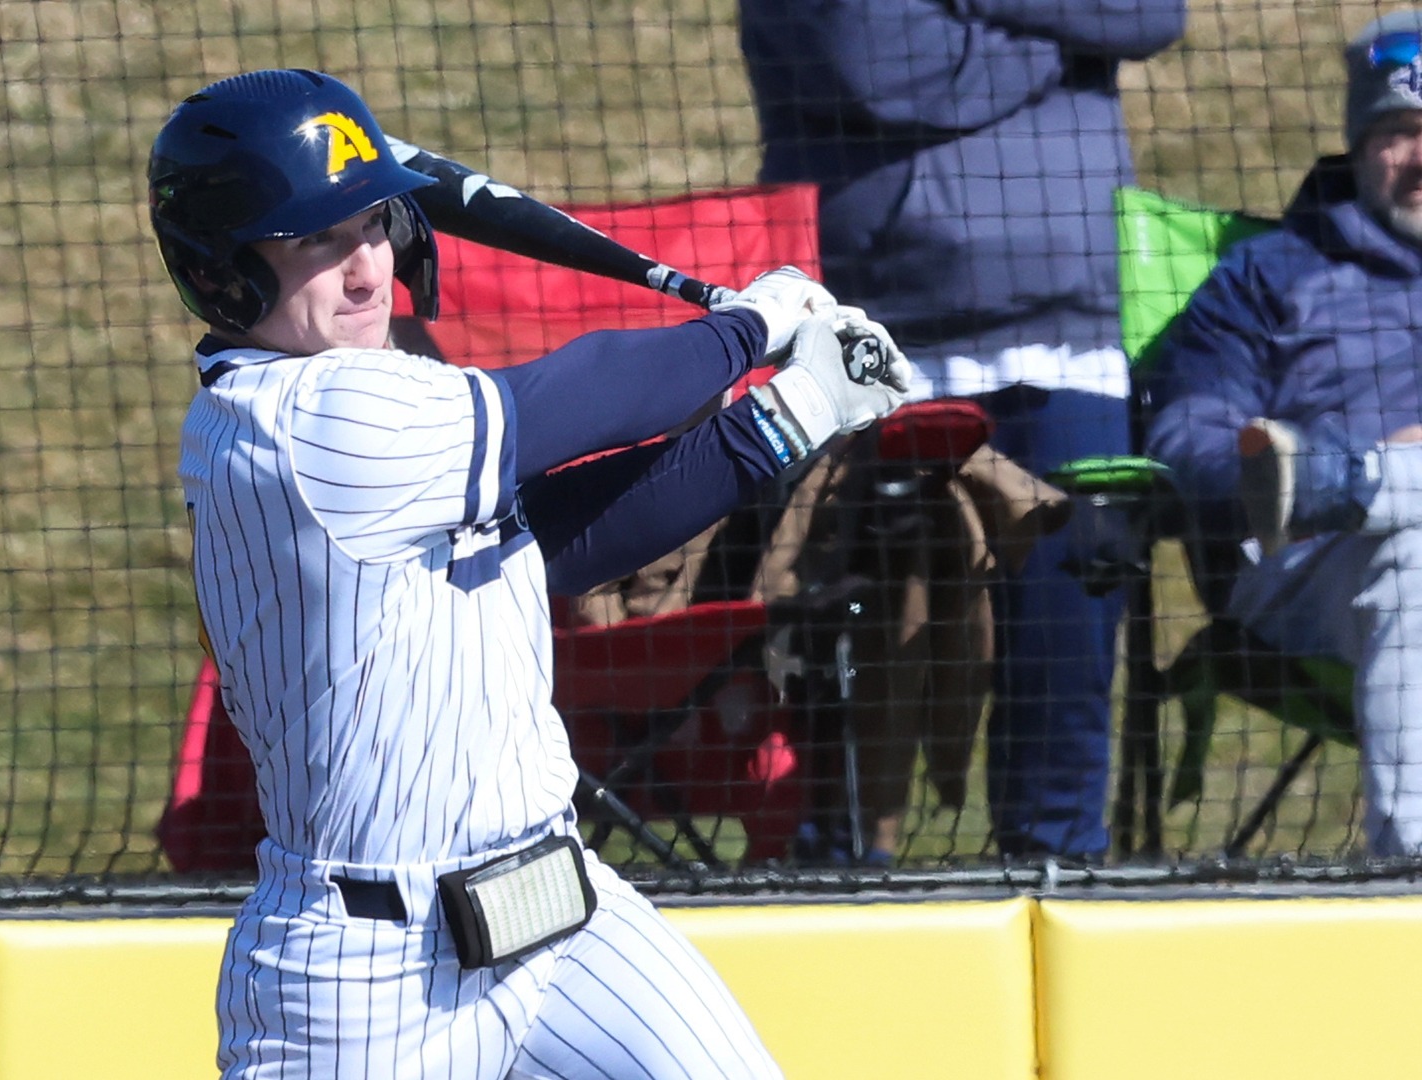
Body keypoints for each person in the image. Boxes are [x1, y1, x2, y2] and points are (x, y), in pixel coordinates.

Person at [153, 68, 912, 1077]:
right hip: (367, 981)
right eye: (316, 242)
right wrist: (751, 327)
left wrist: (791, 417)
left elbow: (553, 541)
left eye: (374, 224)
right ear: (224, 272)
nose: (366, 270)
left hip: (560, 913)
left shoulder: (392, 396)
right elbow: (573, 402)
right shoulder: (295, 424)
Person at [739, 0, 1188, 861]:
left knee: (1069, 615)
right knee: (854, 630)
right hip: (867, 343)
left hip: (1071, 339)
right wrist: (1061, 49)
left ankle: (1055, 867)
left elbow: (1146, 13)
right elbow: (870, 56)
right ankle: (835, 882)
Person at [1147, 11, 1422, 858]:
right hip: (1315, 566)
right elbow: (1185, 433)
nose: (1418, 156)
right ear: (1358, 142)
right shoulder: (1271, 274)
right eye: (1396, 132)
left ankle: (1372, 476)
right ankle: (1411, 878)